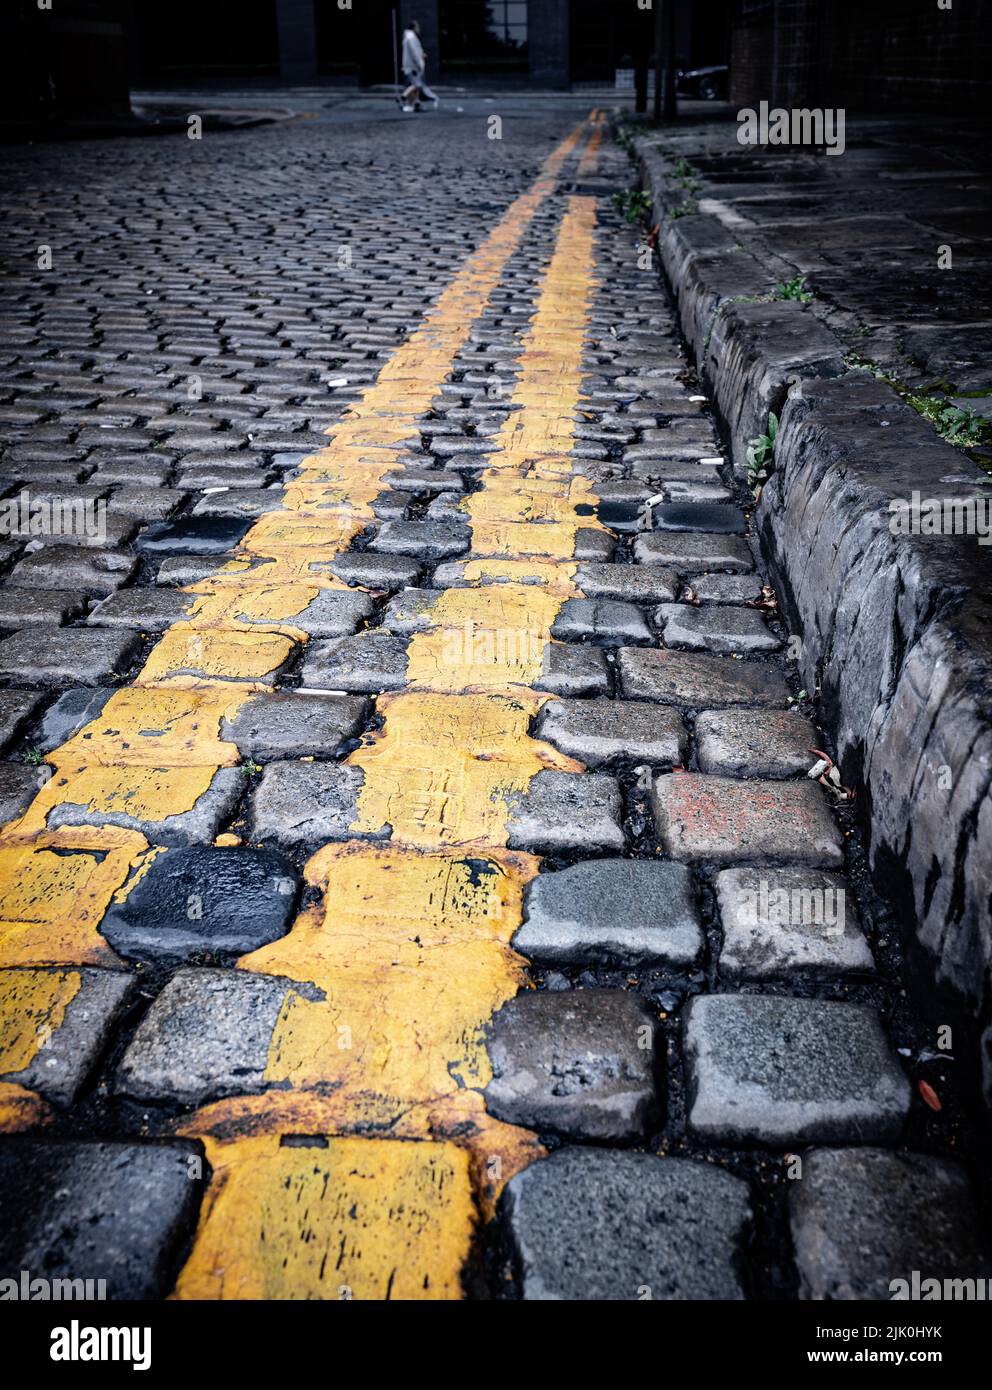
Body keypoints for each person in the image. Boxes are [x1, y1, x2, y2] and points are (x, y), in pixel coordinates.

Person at [400, 19, 438, 111]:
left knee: (415, 85)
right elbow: (414, 52)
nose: (419, 29)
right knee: (417, 84)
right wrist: (419, 62)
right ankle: (404, 96)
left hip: (409, 65)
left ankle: (415, 104)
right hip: (413, 66)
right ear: (414, 27)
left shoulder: (407, 37)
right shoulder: (411, 38)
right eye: (417, 27)